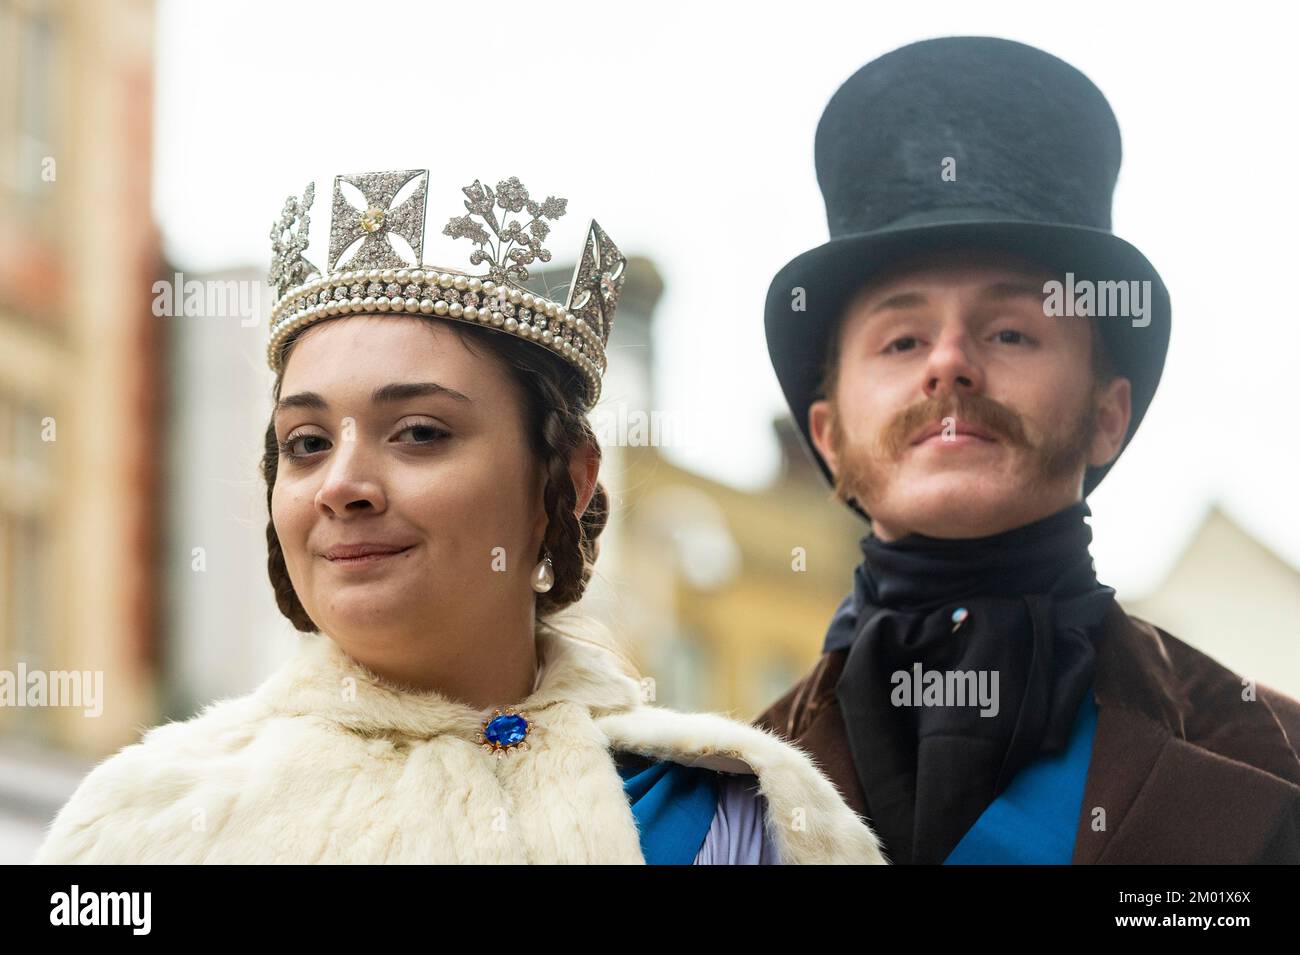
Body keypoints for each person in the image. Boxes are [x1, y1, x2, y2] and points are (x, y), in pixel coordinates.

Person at [35, 169, 883, 865]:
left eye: (420, 432)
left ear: (567, 480)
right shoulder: (139, 831)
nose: (343, 483)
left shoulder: (731, 821)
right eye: (304, 442)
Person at [756, 37, 1300, 864]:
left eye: (1011, 330)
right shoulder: (714, 803)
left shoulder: (1273, 768)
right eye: (902, 340)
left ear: (1107, 415)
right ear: (828, 437)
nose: (949, 364)